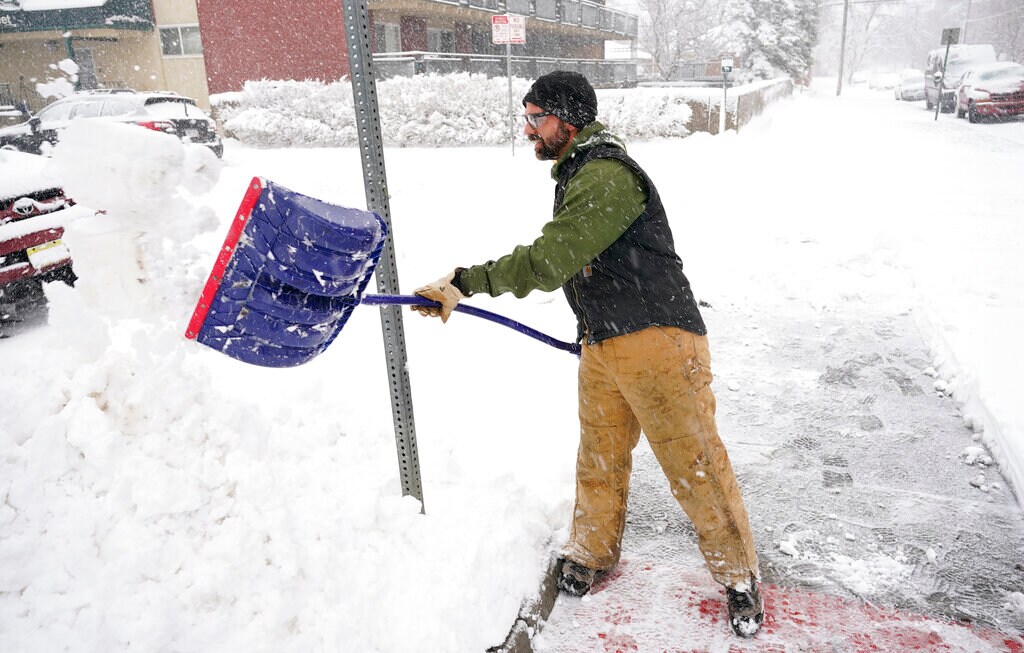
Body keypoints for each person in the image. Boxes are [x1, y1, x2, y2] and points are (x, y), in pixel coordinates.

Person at [412, 71, 763, 637]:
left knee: (693, 463)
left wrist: (466, 281)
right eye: (525, 117)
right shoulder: (581, 170)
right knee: (599, 457)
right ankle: (593, 552)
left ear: (567, 120)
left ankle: (739, 576)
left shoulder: (604, 176)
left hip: (657, 340)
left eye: (536, 117)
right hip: (605, 341)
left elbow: (550, 260)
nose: (527, 129)